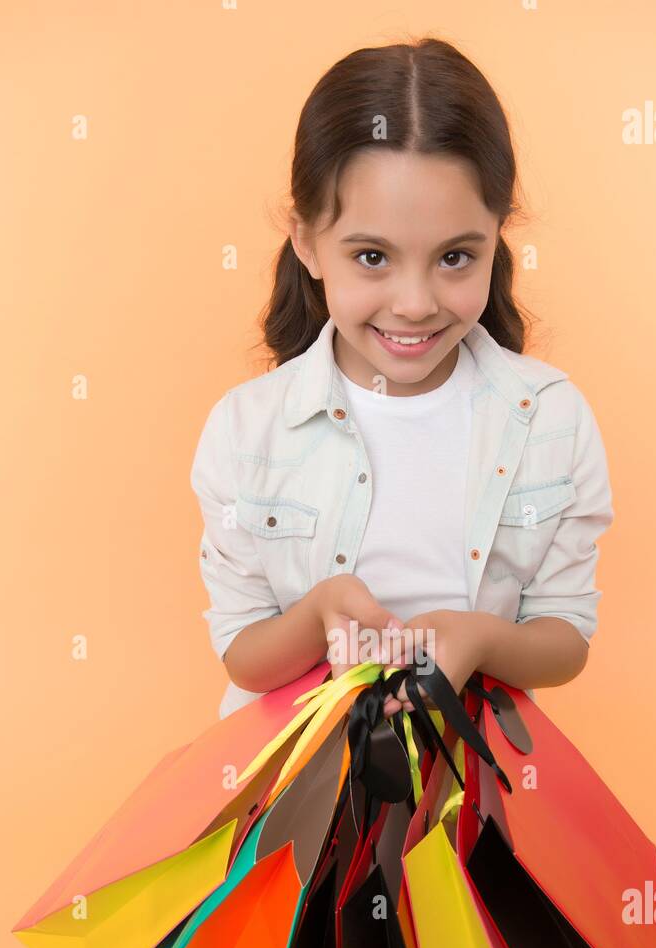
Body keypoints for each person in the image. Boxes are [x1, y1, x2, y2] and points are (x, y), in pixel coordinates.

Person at [190, 36, 613, 724]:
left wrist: (477, 638)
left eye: (453, 257)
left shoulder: (549, 419)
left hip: (476, 787)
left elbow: (564, 638)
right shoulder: (246, 431)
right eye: (370, 256)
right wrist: (319, 612)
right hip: (294, 794)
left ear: (495, 237)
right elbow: (242, 652)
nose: (415, 302)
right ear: (306, 243)